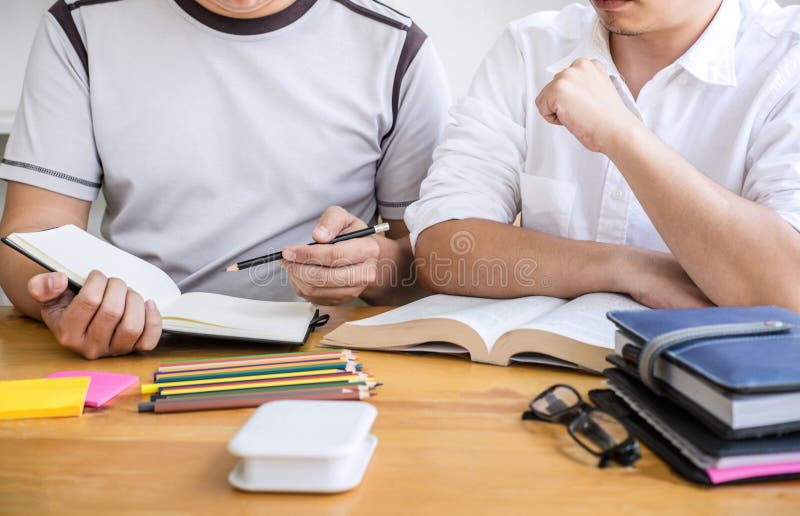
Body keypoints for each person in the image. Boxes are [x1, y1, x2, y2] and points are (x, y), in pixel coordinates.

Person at [0, 0, 450, 359]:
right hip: (133, 348)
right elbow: (31, 233)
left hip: (320, 355)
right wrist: (69, 301)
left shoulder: (395, 49)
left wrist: (374, 266)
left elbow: (431, 264)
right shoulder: (81, 27)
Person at [406, 0, 800, 312]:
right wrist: (627, 268)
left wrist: (621, 134)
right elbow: (443, 249)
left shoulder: (787, 59)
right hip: (535, 370)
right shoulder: (529, 47)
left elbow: (788, 289)